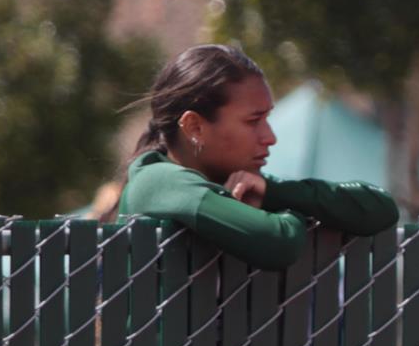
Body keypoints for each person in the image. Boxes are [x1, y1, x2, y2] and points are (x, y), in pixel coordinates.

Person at [118, 44, 399, 269]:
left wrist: (274, 191)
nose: (270, 136)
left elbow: (381, 208)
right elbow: (280, 241)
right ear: (195, 127)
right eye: (253, 121)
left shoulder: (235, 182)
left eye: (267, 119)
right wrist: (291, 211)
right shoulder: (158, 182)